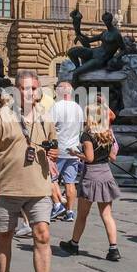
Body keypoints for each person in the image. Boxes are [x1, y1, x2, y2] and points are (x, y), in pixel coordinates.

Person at [0, 69, 62, 272]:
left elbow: (51, 149)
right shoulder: (1, 117)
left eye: (33, 88)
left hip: (38, 186)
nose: (28, 92)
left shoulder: (45, 117)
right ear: (16, 90)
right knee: (5, 235)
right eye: (24, 88)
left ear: (39, 91)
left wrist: (53, 163)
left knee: (43, 235)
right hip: (7, 187)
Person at [58, 100, 121, 260]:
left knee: (82, 215)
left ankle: (74, 243)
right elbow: (113, 156)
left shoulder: (88, 135)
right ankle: (113, 249)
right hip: (106, 174)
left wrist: (75, 154)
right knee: (107, 214)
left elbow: (89, 158)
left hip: (91, 176)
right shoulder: (107, 132)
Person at [49, 80, 85, 222]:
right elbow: (81, 129)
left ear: (60, 91)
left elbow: (50, 127)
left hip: (58, 149)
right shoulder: (78, 108)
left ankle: (57, 205)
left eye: (56, 89)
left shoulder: (56, 107)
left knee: (50, 179)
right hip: (74, 150)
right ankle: (70, 212)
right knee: (70, 182)